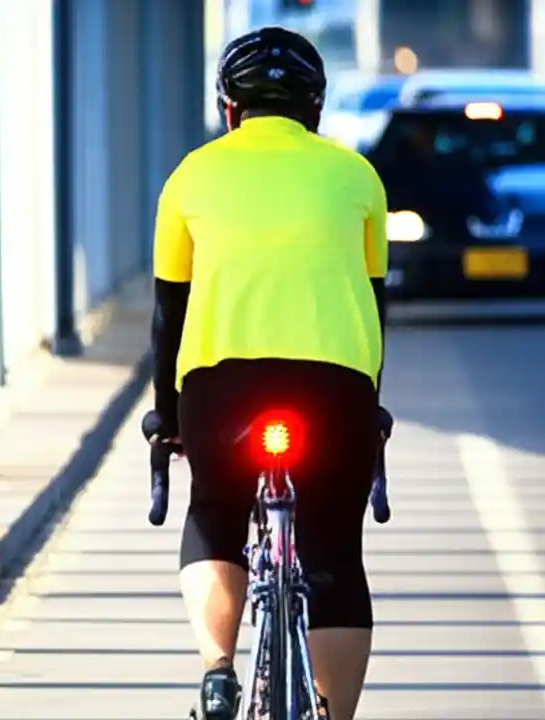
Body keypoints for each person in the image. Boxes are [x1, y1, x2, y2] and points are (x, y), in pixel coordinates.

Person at [144, 26, 389, 720]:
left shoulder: (191, 176)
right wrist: (370, 405)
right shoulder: (357, 176)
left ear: (229, 108)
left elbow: (170, 312)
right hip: (336, 386)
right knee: (334, 548)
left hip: (221, 389)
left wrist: (168, 415)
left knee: (216, 513)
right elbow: (374, 303)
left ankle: (219, 673)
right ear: (315, 107)